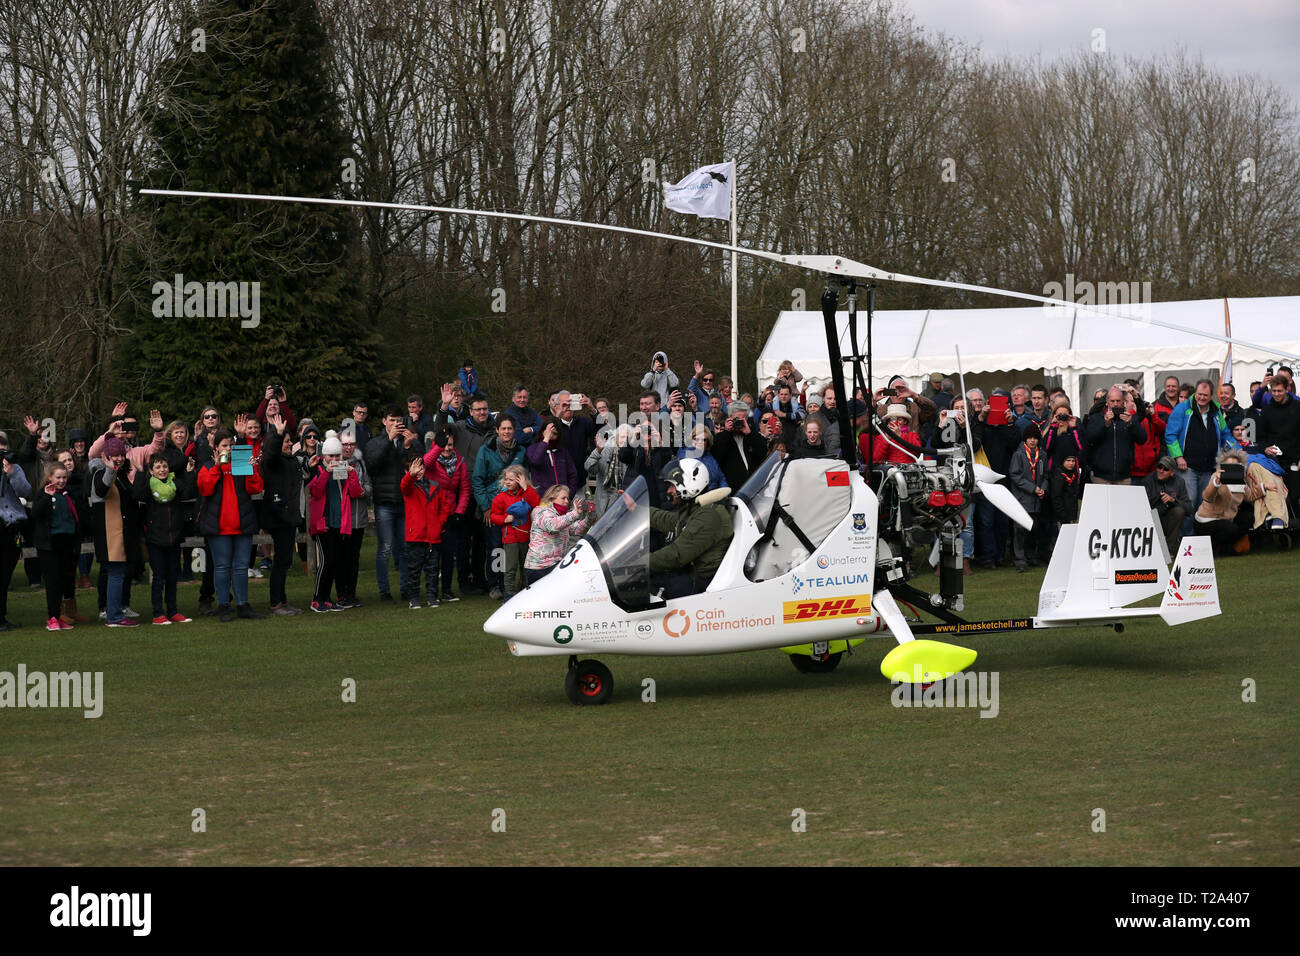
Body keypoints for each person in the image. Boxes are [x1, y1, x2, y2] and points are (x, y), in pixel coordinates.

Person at [196, 429, 266, 622]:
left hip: (242, 523)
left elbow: (255, 487)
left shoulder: (241, 463)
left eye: (231, 445)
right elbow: (205, 488)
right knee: (221, 567)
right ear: (216, 448)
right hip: (218, 526)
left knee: (242, 566)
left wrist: (252, 469)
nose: (228, 448)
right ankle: (224, 605)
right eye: (224, 445)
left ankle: (243, 605)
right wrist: (217, 467)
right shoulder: (208, 466)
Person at [647, 458, 733, 599]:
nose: (669, 491)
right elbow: (673, 522)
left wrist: (639, 563)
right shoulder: (696, 508)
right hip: (689, 575)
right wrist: (638, 510)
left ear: (690, 485)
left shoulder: (708, 515)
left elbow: (676, 555)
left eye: (673, 486)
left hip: (698, 585)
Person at [1165, 378, 1235, 536]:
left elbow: (1226, 435)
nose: (1201, 398)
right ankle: (1186, 542)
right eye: (1199, 394)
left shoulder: (1216, 412)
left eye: (1205, 395)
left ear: (1211, 396)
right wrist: (1178, 457)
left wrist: (1234, 452)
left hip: (1208, 467)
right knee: (1188, 505)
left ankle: (1201, 543)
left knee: (1204, 506)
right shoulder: (1182, 409)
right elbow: (1170, 435)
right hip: (1187, 467)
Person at [133, 452, 197, 624]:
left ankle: (173, 611)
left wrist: (190, 473)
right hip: (155, 539)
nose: (162, 470)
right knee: (158, 577)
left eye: (164, 466)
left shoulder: (175, 482)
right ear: (152, 471)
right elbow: (137, 494)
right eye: (158, 467)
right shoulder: (148, 485)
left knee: (172, 577)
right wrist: (140, 473)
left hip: (174, 538)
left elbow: (188, 493)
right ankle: (158, 614)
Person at [306, 431, 366, 612]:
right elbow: (315, 491)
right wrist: (326, 472)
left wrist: (352, 473)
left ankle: (326, 598)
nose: (334, 459)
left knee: (334, 561)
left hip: (339, 522)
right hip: (323, 523)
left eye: (337, 455)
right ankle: (317, 599)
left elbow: (356, 492)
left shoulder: (344, 468)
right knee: (326, 561)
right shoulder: (317, 468)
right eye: (331, 456)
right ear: (324, 455)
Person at [363, 407, 417, 604]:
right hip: (384, 502)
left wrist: (409, 446)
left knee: (404, 549)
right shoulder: (375, 443)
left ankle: (406, 589)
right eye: (392, 420)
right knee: (385, 548)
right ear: (384, 421)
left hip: (404, 501)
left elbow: (418, 463)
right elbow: (373, 465)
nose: (396, 423)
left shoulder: (406, 440)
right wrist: (388, 441)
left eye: (398, 420)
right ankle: (384, 591)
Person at [87, 436, 140, 627]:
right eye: (113, 455)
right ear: (105, 456)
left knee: (118, 573)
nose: (117, 458)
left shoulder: (121, 474)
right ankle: (114, 616)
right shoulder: (100, 473)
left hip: (120, 533)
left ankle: (115, 612)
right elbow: (101, 490)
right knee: (116, 574)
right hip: (110, 534)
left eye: (120, 455)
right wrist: (110, 468)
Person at [472, 415, 527, 599]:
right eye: (503, 428)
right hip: (492, 507)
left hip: (514, 508)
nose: (506, 432)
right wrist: (486, 508)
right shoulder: (486, 450)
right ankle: (494, 584)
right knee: (495, 547)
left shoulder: (521, 451)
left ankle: (509, 584)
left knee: (512, 547)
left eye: (509, 428)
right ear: (497, 430)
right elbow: (477, 480)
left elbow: (525, 479)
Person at [261, 417, 304, 615]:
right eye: (287, 441)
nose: (289, 444)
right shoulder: (273, 461)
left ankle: (283, 600)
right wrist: (278, 435)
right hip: (278, 516)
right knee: (280, 562)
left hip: (290, 516)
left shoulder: (290, 460)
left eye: (289, 441)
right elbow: (270, 456)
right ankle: (275, 603)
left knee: (285, 560)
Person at [31, 463, 82, 631]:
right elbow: (35, 514)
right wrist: (47, 497)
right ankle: (51, 617)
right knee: (52, 582)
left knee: (62, 581)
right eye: (58, 477)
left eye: (64, 477)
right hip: (49, 545)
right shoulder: (43, 493)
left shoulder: (68, 494)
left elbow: (75, 518)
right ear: (50, 478)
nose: (61, 481)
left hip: (66, 543)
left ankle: (59, 616)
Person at [423, 429, 471, 603]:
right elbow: (425, 464)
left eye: (450, 444)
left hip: (451, 514)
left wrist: (459, 512)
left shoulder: (459, 462)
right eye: (445, 444)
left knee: (449, 554)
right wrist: (437, 446)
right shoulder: (432, 460)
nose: (448, 448)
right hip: (432, 514)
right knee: (432, 556)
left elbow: (465, 489)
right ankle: (431, 591)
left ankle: (447, 590)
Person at [401, 450, 449, 609]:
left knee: (433, 569)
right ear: (407, 471)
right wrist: (411, 475)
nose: (418, 471)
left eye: (420, 467)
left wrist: (438, 523)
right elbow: (404, 485)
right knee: (414, 570)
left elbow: (445, 507)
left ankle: (432, 597)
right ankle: (413, 598)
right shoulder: (409, 487)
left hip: (433, 536)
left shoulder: (435, 486)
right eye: (414, 468)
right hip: (415, 536)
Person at [524, 484, 594, 585]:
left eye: (567, 498)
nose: (566, 501)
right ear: (552, 498)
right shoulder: (541, 512)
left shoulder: (560, 516)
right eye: (563, 498)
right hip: (539, 568)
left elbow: (577, 530)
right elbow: (553, 526)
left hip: (554, 565)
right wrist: (574, 513)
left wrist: (590, 517)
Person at [490, 464, 539, 600]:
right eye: (506, 479)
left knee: (526, 567)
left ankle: (525, 593)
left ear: (520, 480)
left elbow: (536, 504)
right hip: (510, 538)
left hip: (526, 537)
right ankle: (509, 596)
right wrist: (505, 519)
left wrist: (525, 487)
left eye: (511, 479)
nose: (508, 482)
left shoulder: (527, 493)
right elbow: (493, 515)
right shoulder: (501, 497)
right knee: (510, 569)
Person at [335, 433, 372, 608]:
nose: (348, 447)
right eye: (345, 444)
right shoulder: (336, 463)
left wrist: (363, 491)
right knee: (342, 557)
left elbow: (368, 486)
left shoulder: (360, 463)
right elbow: (345, 490)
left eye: (351, 444)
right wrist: (358, 490)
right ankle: (341, 594)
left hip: (359, 518)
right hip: (343, 519)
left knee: (354, 558)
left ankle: (352, 593)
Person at [1256, 375, 1300, 516]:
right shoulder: (1267, 410)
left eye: (1279, 391)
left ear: (1287, 389)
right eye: (1273, 391)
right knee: (1278, 497)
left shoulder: (1298, 407)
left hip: (1294, 461)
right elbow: (1260, 437)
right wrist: (1265, 448)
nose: (1276, 394)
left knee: (1294, 497)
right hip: (1274, 463)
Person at [1085, 386, 1147, 485]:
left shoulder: (1129, 417)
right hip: (1101, 476)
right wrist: (1105, 425)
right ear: (1107, 401)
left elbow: (1142, 439)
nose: (1115, 404)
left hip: (1124, 476)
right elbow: (1089, 438)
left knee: (1124, 501)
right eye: (1112, 401)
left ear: (1123, 401)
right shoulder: (1097, 417)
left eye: (1118, 401)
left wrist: (1131, 424)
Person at [1007, 431, 1048, 571]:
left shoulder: (1042, 455)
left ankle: (1031, 557)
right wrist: (1033, 488)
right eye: (1030, 438)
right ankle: (1020, 560)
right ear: (1025, 440)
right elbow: (1015, 475)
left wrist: (1043, 488)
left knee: (1033, 529)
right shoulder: (1018, 454)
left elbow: (1046, 475)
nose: (1032, 441)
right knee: (1020, 530)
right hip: (1022, 499)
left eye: (1035, 438)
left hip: (1036, 500)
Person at [1143, 456, 1192, 556]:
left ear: (1172, 472)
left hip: (1168, 520)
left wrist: (1173, 500)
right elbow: (1143, 508)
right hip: (1151, 519)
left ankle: (1170, 551)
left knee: (1179, 511)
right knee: (1153, 514)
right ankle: (1154, 550)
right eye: (1159, 467)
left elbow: (1189, 509)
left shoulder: (1179, 482)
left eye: (1165, 469)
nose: (1161, 471)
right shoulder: (1148, 480)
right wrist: (1160, 499)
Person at [526, 418, 580, 498]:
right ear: (542, 432)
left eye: (554, 433)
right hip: (542, 499)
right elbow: (535, 461)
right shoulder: (532, 449)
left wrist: (568, 495)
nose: (551, 436)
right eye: (549, 433)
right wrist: (545, 441)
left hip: (561, 500)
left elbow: (573, 475)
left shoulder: (563, 452)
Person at [1050, 454, 1083, 526]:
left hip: (1072, 514)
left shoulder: (1074, 474)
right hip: (1062, 516)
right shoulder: (1058, 475)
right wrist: (1062, 514)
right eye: (1068, 460)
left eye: (1073, 461)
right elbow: (1056, 497)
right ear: (1063, 461)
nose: (1071, 463)